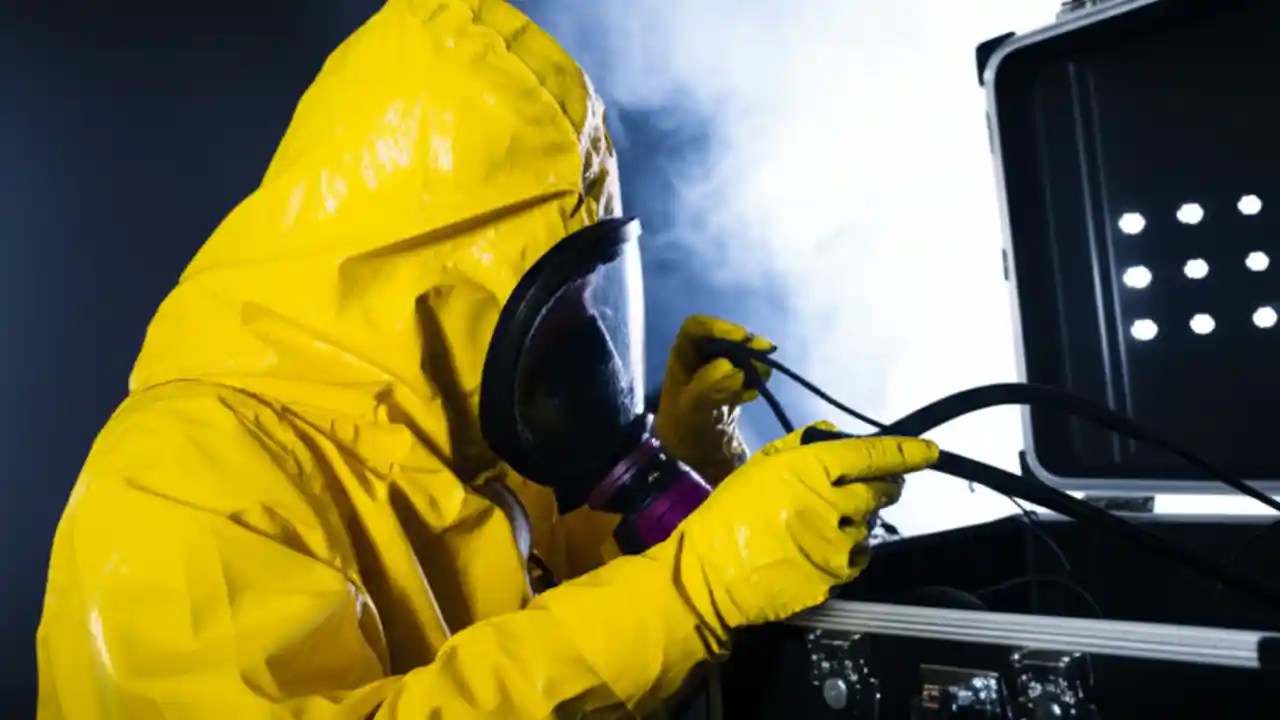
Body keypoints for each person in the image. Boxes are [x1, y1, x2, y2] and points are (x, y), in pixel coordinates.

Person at [35, 1, 938, 717]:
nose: (584, 348)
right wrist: (690, 588)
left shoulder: (465, 434)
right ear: (428, 285)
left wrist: (687, 468)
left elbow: (552, 627)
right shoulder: (177, 488)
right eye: (553, 299)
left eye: (589, 294)